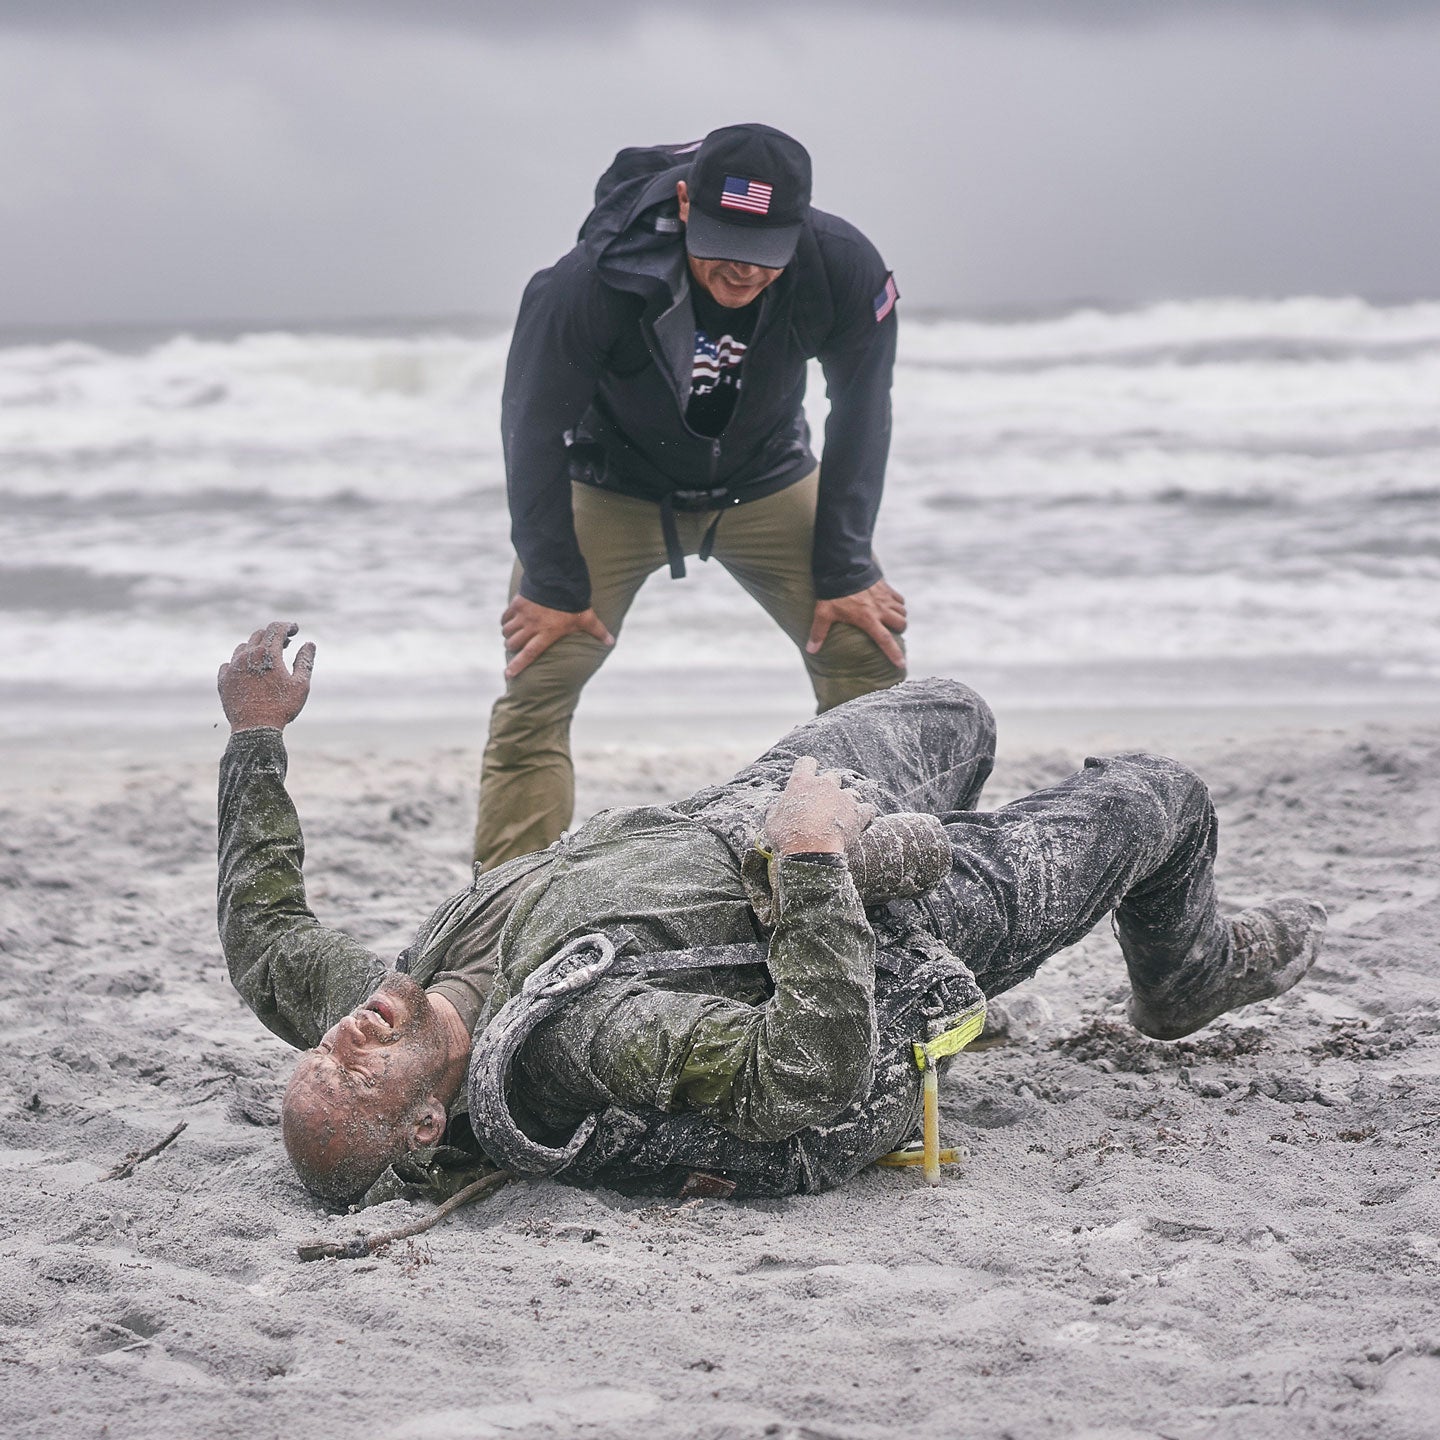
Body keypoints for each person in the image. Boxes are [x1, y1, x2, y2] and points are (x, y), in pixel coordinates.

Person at [218, 623, 1326, 1207]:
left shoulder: (396, 991)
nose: (347, 1037)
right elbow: (801, 1074)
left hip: (752, 807)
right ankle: (1187, 974)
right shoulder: (570, 1043)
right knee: (1162, 798)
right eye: (355, 1075)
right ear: (423, 1126)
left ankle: (930, 877)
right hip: (852, 900)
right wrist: (811, 862)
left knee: (958, 713)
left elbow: (266, 941)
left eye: (325, 1049)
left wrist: (256, 738)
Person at [476, 122, 909, 869]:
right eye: (722, 244)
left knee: (865, 651)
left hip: (763, 480)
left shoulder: (845, 268)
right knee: (539, 677)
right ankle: (501, 913)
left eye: (765, 253)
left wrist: (846, 569)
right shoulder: (589, 282)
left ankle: (866, 873)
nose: (742, 272)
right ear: (684, 203)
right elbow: (530, 426)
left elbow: (863, 409)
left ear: (798, 229)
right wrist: (552, 580)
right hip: (614, 485)